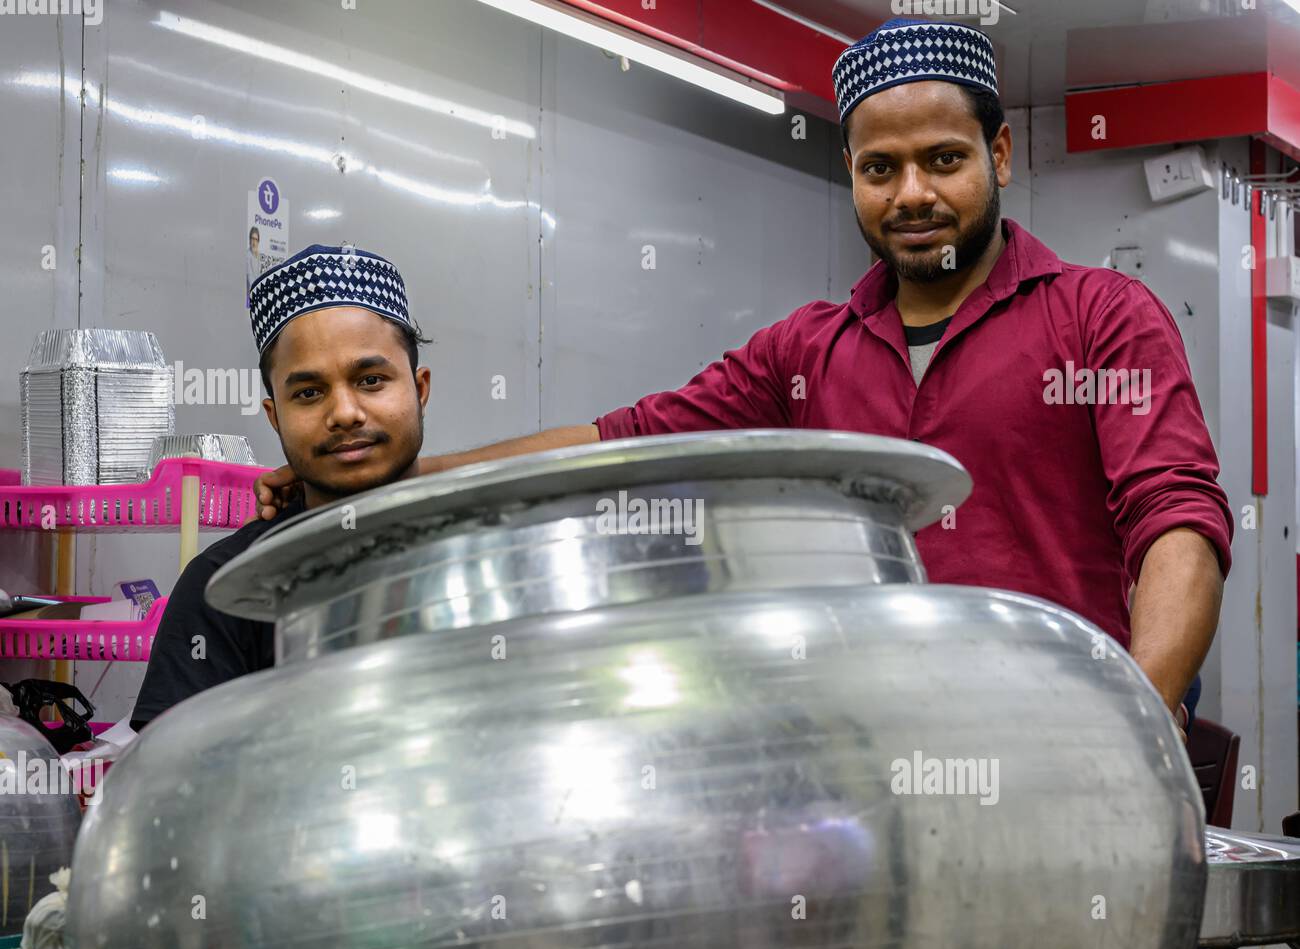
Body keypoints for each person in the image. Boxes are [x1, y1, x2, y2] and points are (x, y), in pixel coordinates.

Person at [255, 18, 1232, 739]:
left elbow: (1175, 521)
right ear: (850, 171)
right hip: (881, 765)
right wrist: (389, 481)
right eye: (880, 168)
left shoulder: (1099, 317)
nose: (913, 195)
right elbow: (626, 437)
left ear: (1000, 154)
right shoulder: (808, 352)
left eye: (942, 160)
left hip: (1069, 743)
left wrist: (1135, 725)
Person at [130, 244, 430, 730]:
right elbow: (175, 777)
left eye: (371, 380)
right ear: (274, 416)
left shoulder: (484, 544)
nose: (345, 413)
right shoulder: (225, 585)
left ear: (420, 389)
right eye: (309, 393)